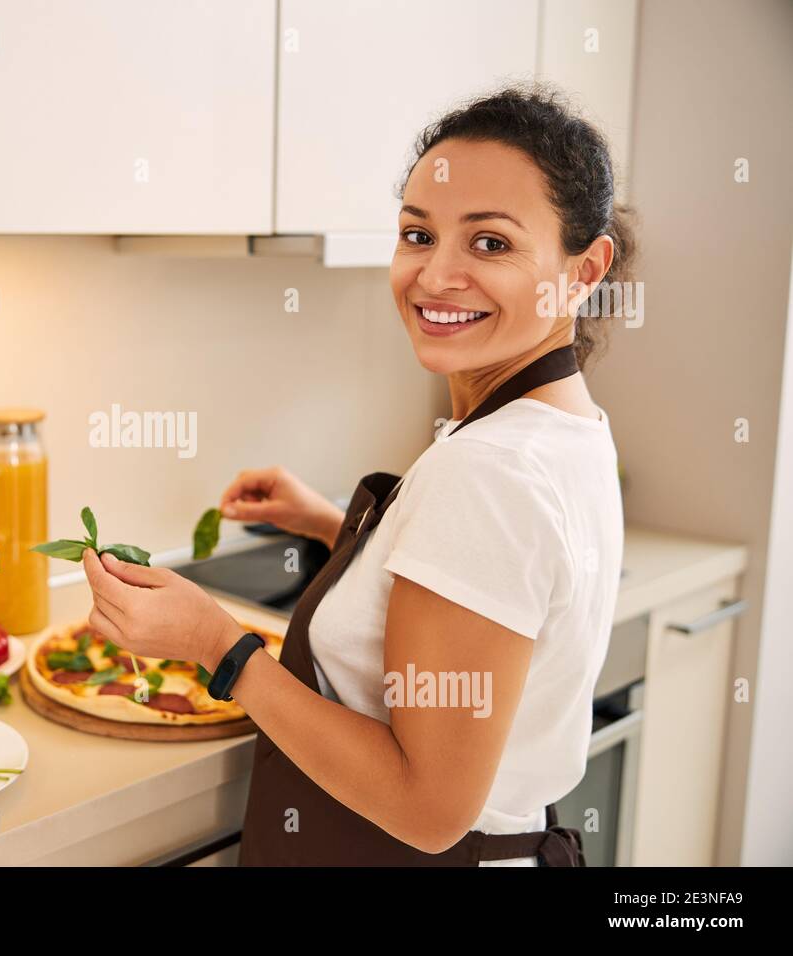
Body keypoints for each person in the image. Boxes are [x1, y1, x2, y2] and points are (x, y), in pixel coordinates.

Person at [82, 85, 635, 866]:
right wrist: (330, 524)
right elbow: (493, 577)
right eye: (418, 233)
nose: (436, 276)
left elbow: (428, 808)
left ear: (585, 270)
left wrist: (218, 646)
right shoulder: (565, 427)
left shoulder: (486, 471)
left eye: (490, 244)